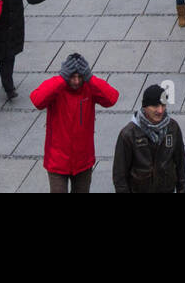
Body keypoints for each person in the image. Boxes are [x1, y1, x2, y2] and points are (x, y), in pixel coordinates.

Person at [30, 53, 120, 193]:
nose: (77, 81)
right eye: (72, 77)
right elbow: (37, 100)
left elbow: (112, 98)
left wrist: (90, 78)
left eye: (80, 77)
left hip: (83, 161)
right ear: (66, 75)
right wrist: (61, 79)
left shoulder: (89, 87)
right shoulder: (56, 87)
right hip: (57, 162)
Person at [114, 84, 185, 194]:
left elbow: (180, 165)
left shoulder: (173, 128)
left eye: (163, 105)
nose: (160, 110)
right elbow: (120, 176)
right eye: (155, 106)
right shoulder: (129, 134)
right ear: (145, 107)